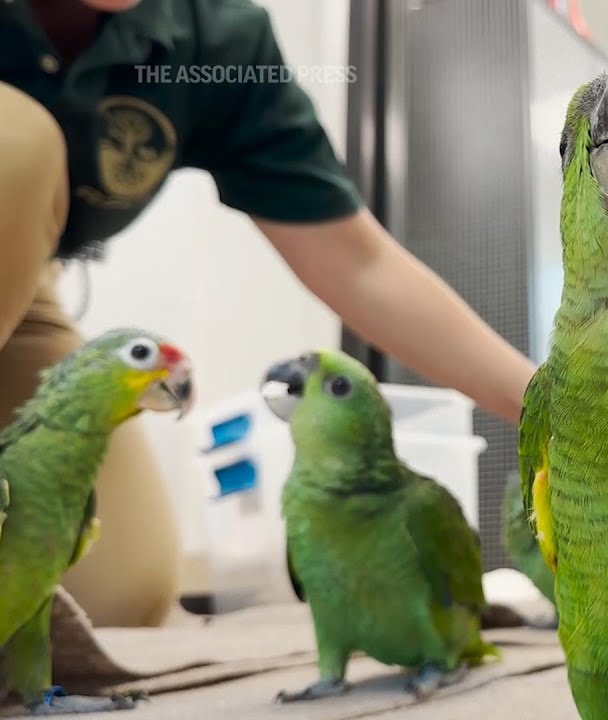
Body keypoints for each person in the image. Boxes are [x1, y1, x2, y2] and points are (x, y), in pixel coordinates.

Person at [0, 0, 537, 627]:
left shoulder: (215, 39)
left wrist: (557, 411)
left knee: (115, 593)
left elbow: (357, 261)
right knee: (16, 140)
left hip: (29, 291)